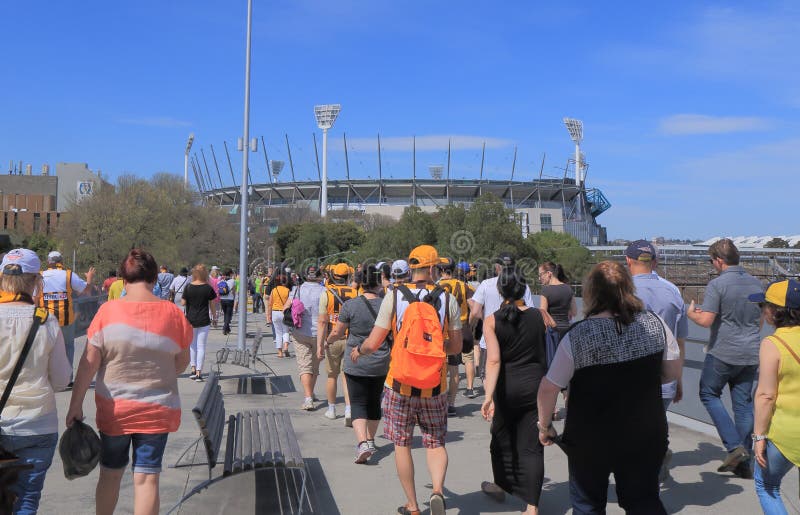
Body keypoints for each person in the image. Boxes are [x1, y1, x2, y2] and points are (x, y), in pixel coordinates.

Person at [537, 261, 681, 514]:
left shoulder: (579, 335)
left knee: (588, 505)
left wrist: (545, 425)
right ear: (628, 289)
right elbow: (670, 374)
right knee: (643, 501)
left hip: (590, 439)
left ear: (591, 292)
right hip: (645, 432)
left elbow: (549, 388)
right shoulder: (655, 323)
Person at [66, 249, 192, 515]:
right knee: (147, 478)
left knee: (110, 474)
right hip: (158, 408)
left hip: (115, 409)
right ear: (155, 277)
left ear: (122, 278)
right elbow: (181, 363)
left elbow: (89, 363)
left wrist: (75, 404)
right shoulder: (173, 314)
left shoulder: (107, 312)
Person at [358, 245, 463, 515]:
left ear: (412, 268)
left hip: (400, 383)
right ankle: (438, 490)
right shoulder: (447, 299)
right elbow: (456, 347)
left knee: (402, 444)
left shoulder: (393, 297)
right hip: (435, 385)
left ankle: (413, 506)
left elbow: (374, 341)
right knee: (435, 442)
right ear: (431, 269)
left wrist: (359, 351)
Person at [0, 249, 71, 515]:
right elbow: (62, 380)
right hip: (37, 424)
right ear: (35, 281)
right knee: (27, 501)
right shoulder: (46, 321)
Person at [687, 238, 763, 478]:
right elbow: (759, 321)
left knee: (708, 394)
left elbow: (707, 320)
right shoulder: (756, 283)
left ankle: (734, 447)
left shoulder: (717, 285)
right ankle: (743, 464)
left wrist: (692, 315)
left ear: (719, 261)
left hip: (723, 351)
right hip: (750, 352)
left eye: (712, 261)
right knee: (743, 405)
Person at [480, 267, 547, 514]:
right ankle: (532, 507)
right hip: (536, 387)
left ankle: (501, 486)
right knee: (532, 446)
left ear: (500, 290)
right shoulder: (541, 316)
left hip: (508, 389)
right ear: (525, 289)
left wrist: (488, 396)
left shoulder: (492, 320)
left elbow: (494, 361)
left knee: (500, 440)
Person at [625, 240, 688, 482]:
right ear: (654, 262)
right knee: (656, 424)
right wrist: (679, 379)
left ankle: (646, 475)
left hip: (631, 378)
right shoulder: (672, 290)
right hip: (665, 374)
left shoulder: (622, 291)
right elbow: (680, 341)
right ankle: (657, 460)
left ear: (628, 261)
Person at [328, 263, 390, 463]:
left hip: (356, 360)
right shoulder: (387, 304)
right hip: (381, 360)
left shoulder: (351, 305)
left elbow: (338, 332)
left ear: (361, 283)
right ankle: (371, 440)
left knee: (357, 402)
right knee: (374, 401)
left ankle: (362, 443)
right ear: (379, 282)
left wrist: (327, 341)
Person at [749, 279, 800, 513]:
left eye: (764, 306)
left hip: (788, 433)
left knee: (766, 485)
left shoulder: (773, 343)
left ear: (775, 311)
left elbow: (766, 395)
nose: (763, 311)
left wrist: (759, 437)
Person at [470, 252, 536, 385]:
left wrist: (487, 319)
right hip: (516, 340)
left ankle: (492, 402)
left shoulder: (486, 284)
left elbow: (475, 310)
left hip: (490, 339)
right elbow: (530, 310)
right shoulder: (523, 286)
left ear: (497, 267)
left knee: (488, 378)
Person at [40, 250, 95, 379]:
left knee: (47, 349)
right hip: (65, 319)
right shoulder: (68, 275)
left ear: (48, 262)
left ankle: (48, 377)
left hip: (46, 320)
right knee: (68, 347)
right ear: (61, 262)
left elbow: (34, 297)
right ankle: (67, 378)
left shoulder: (40, 276)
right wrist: (89, 278)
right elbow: (86, 290)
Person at [317, 263, 357, 425]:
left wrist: (321, 344)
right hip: (351, 338)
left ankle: (332, 409)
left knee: (332, 375)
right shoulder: (356, 293)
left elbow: (321, 322)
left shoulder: (327, 294)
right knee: (347, 375)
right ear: (348, 277)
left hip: (332, 338)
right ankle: (349, 409)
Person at [437, 257, 475, 414]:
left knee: (438, 368)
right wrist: (470, 324)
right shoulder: (464, 285)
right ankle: (451, 403)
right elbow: (474, 306)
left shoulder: (437, 286)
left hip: (441, 331)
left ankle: (438, 400)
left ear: (440, 270)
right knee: (454, 368)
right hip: (459, 328)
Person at [290, 265, 325, 410]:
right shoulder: (325, 291)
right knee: (315, 366)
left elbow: (287, 306)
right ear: (319, 276)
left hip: (300, 332)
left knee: (304, 366)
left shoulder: (297, 290)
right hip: (320, 334)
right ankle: (310, 392)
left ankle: (308, 397)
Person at [181, 264, 217, 382]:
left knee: (192, 346)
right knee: (201, 346)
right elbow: (212, 305)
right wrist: (214, 317)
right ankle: (198, 373)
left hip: (190, 320)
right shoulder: (208, 288)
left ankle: (192, 368)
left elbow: (182, 303)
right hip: (204, 320)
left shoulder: (188, 287)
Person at [538, 261, 577, 342]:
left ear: (549, 273)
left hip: (552, 333)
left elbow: (543, 312)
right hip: (567, 332)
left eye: (541, 274)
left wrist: (554, 325)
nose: (539, 278)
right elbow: (574, 312)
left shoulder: (545, 290)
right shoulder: (568, 289)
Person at [265, 273, 291, 357]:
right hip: (285, 312)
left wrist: (268, 316)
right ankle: (286, 347)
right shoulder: (287, 291)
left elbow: (269, 304)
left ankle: (280, 353)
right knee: (286, 331)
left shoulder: (274, 290)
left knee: (278, 332)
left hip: (275, 312)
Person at [219, 268, 237, 336]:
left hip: (222, 299)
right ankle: (224, 328)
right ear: (230, 274)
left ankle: (227, 329)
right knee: (228, 315)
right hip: (230, 299)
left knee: (225, 314)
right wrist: (234, 297)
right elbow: (234, 291)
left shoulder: (221, 281)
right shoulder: (232, 281)